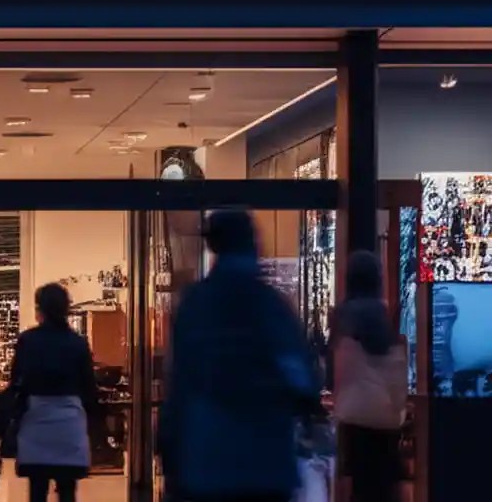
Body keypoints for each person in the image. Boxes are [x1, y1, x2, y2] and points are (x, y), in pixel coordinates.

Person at [159, 208, 321, 502]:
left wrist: (171, 452)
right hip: (266, 463)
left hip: (206, 460)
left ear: (213, 246)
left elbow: (178, 383)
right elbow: (302, 380)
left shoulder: (194, 304)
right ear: (253, 244)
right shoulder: (271, 306)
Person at [9, 283, 98, 502]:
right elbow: (89, 388)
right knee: (67, 490)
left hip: (36, 420)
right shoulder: (77, 344)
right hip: (69, 422)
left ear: (40, 308)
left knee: (37, 490)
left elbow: (17, 383)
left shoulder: (28, 341)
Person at [331, 250, 405, 502]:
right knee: (382, 485)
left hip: (353, 414)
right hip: (382, 415)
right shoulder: (380, 313)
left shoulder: (343, 314)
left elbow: (338, 365)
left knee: (358, 484)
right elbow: (387, 356)